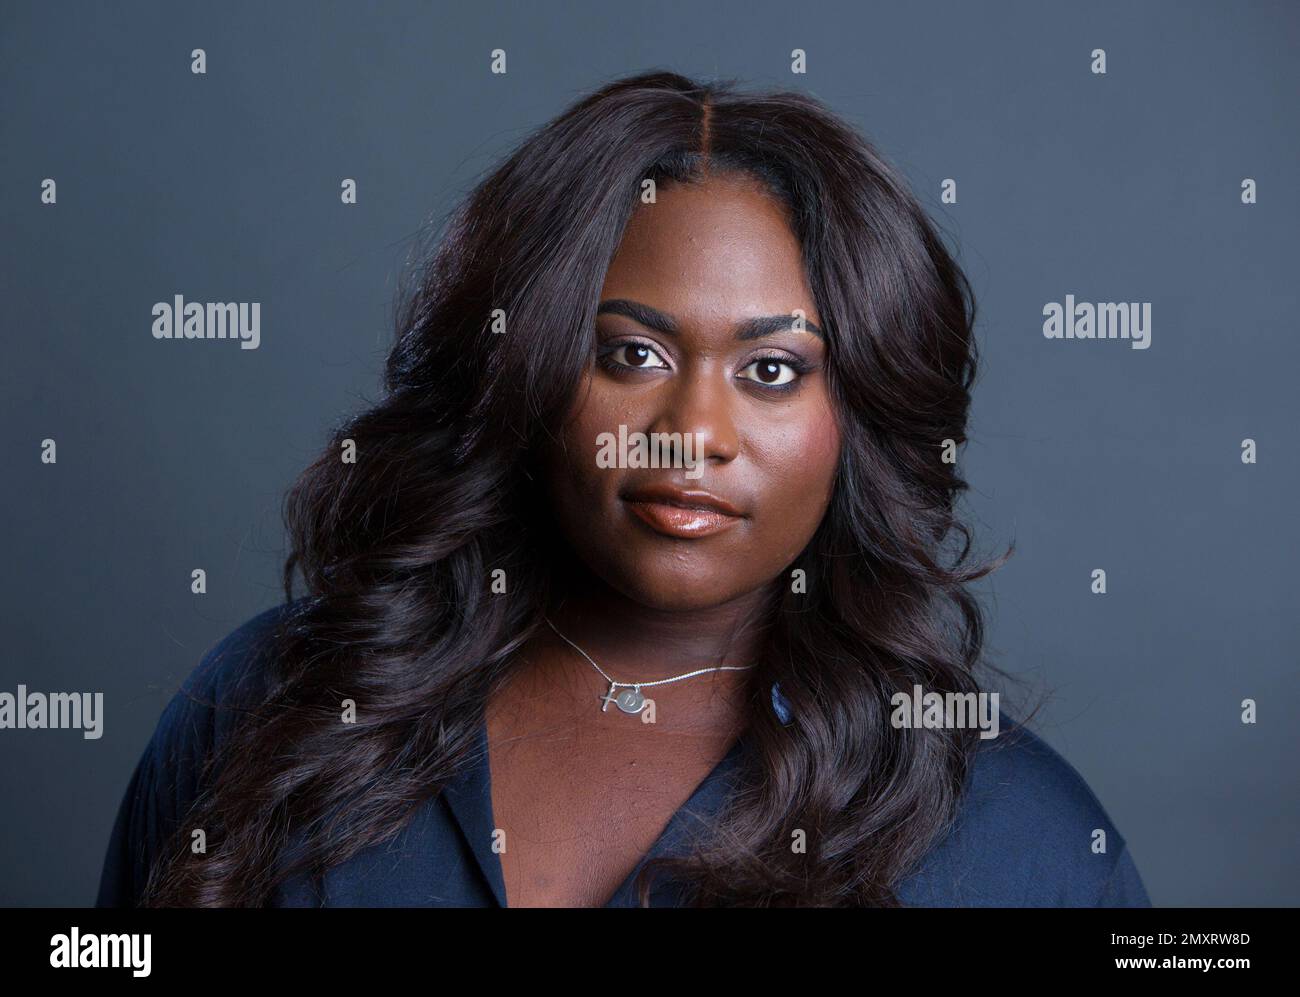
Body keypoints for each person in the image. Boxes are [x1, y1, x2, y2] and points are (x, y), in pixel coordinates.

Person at [96, 70, 1151, 908]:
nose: (692, 434)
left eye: (772, 370)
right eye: (631, 355)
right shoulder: (264, 707)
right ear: (528, 369)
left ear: (859, 417)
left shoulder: (1025, 840)